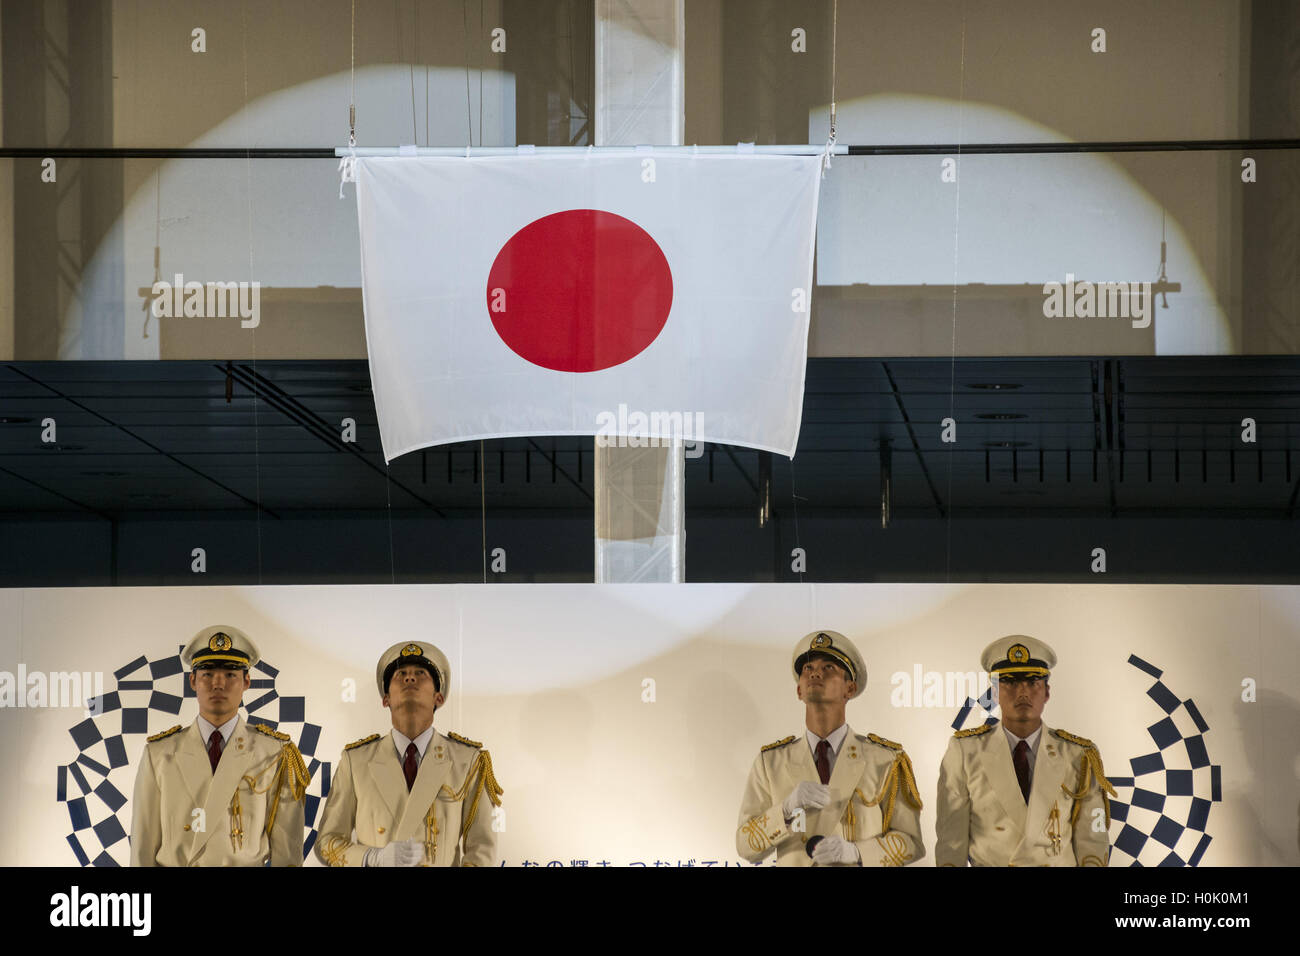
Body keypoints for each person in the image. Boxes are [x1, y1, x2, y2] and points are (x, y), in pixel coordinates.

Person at [735, 630, 925, 866]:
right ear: (799, 691)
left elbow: (911, 841)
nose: (815, 672)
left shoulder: (885, 759)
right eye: (808, 668)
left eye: (829, 668)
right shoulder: (771, 763)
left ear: (850, 689)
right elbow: (745, 845)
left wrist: (857, 853)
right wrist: (784, 811)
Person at [130, 625, 309, 866]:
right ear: (193, 681)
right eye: (208, 673)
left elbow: (287, 852)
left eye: (230, 674)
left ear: (246, 682)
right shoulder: (160, 753)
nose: (218, 683)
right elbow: (143, 847)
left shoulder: (275, 753)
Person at [315, 641, 503, 866]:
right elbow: (327, 842)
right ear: (386, 699)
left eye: (420, 673)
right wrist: (372, 858)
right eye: (400, 673)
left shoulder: (468, 760)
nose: (410, 678)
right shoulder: (356, 761)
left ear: (438, 697)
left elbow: (482, 847)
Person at [935, 635, 1116, 866]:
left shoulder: (1078, 755)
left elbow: (1093, 839)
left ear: (1047, 692)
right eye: (1010, 682)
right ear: (994, 693)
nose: (1022, 692)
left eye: (1032, 682)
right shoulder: (965, 752)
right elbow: (951, 842)